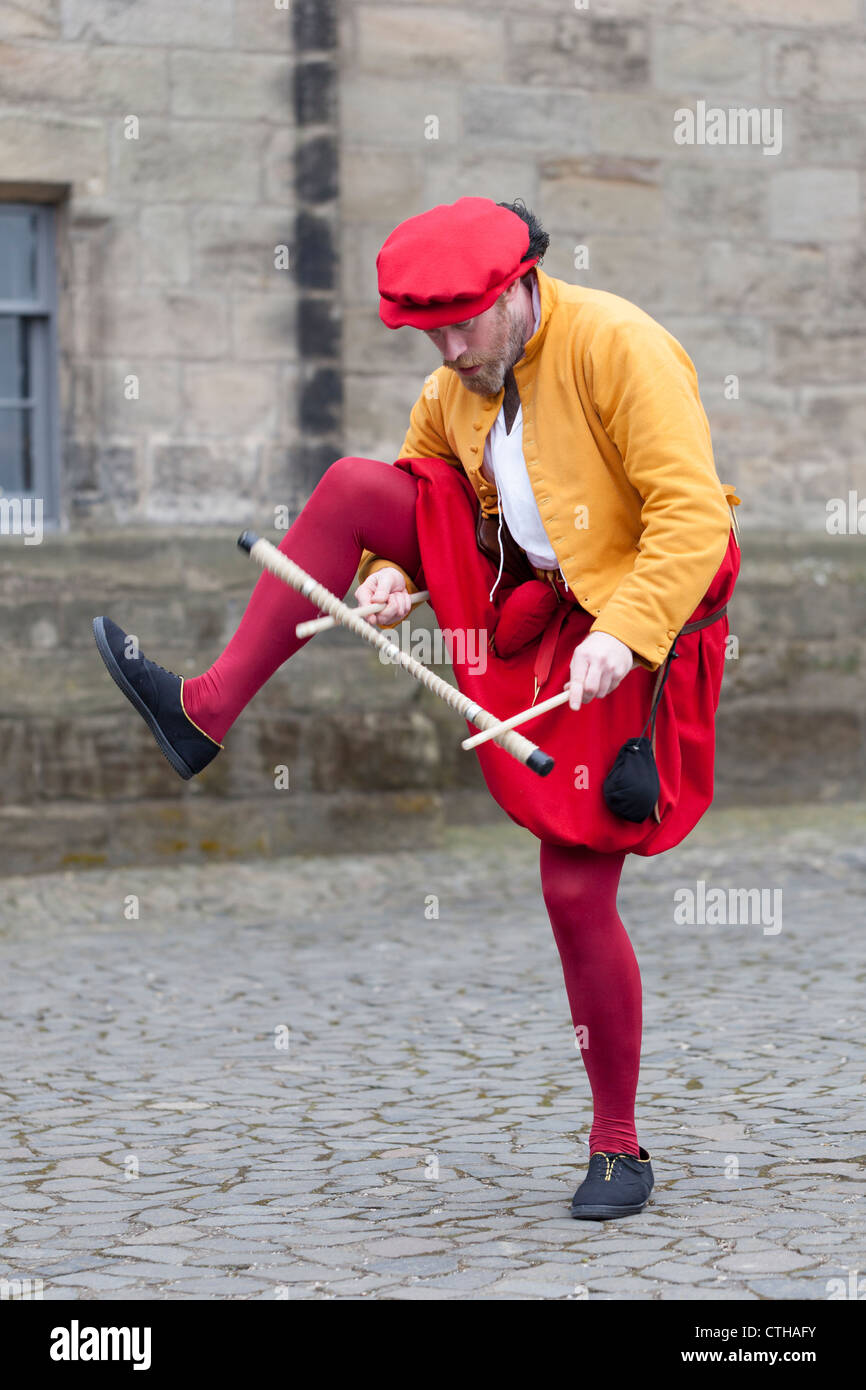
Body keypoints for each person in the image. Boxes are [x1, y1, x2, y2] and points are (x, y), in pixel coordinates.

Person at [93, 196, 741, 1221]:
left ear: (519, 286)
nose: (449, 351)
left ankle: (617, 1144)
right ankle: (203, 710)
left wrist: (621, 637)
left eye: (463, 326)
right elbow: (429, 498)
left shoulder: (619, 346)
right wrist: (395, 576)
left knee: (575, 898)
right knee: (357, 486)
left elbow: (690, 514)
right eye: (430, 334)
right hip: (529, 600)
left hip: (634, 627)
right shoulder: (453, 387)